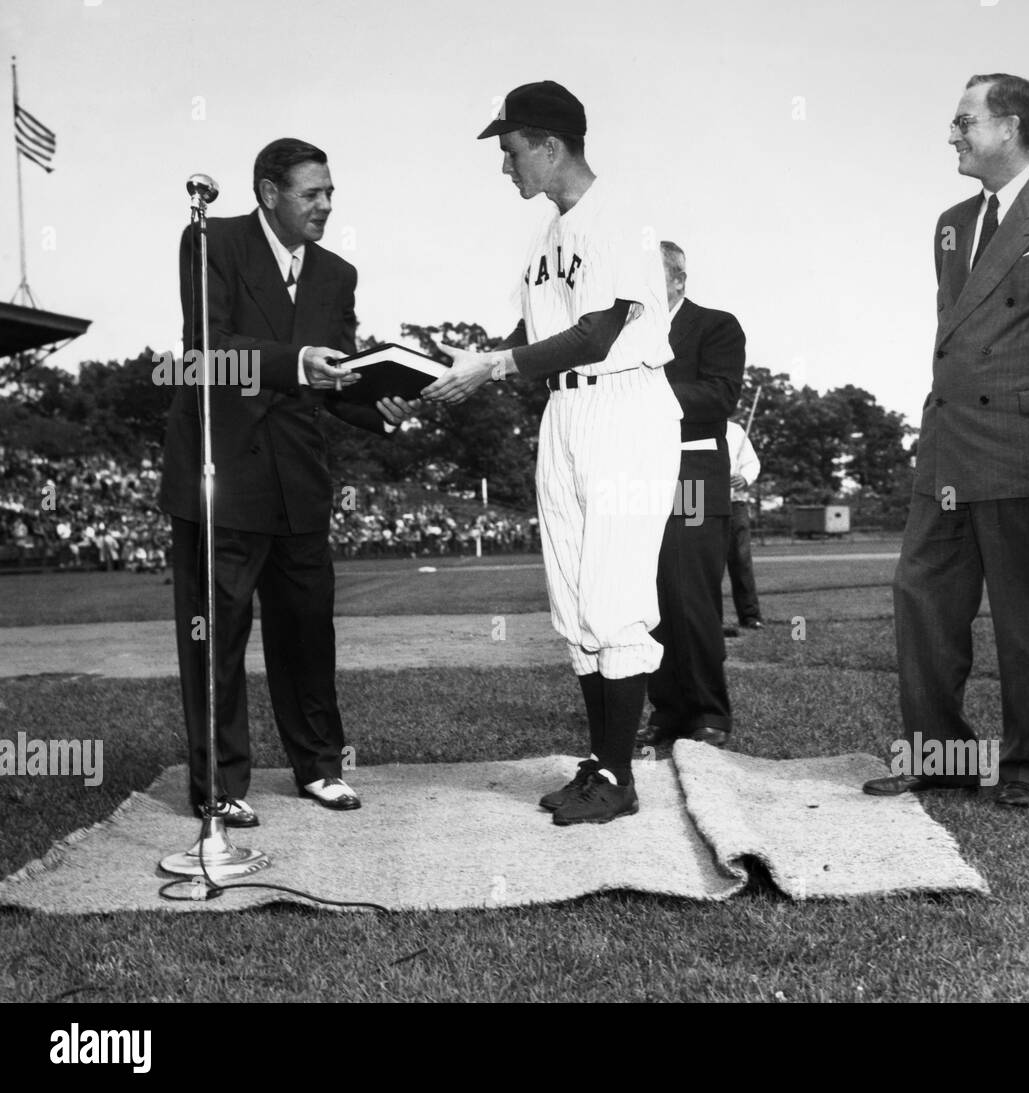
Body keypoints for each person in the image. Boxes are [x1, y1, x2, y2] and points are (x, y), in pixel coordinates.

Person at [862, 73, 1029, 808]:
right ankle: (941, 755)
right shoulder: (951, 221)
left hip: (1026, 447)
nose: (951, 134)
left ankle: (1026, 767)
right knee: (923, 601)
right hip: (947, 444)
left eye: (963, 121)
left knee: (1023, 617)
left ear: (1009, 127)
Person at [423, 81, 680, 826]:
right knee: (574, 599)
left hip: (624, 402)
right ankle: (601, 764)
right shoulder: (548, 238)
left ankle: (619, 777)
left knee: (616, 598)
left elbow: (599, 334)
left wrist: (496, 369)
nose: (506, 167)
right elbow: (525, 336)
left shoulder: (621, 217)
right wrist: (455, 368)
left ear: (549, 144)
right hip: (565, 411)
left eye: (510, 151)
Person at [158, 137, 415, 825]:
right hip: (222, 474)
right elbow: (208, 352)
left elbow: (335, 383)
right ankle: (219, 783)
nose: (326, 205)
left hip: (299, 481)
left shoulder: (338, 273)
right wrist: (300, 359)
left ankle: (320, 767)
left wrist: (382, 406)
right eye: (312, 193)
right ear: (269, 193)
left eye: (330, 192)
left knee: (308, 631)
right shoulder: (211, 240)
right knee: (218, 634)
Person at [638, 241, 744, 750]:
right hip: (635, 473)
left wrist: (643, 396)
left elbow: (720, 396)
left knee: (689, 595)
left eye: (651, 275)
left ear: (679, 279)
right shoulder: (627, 331)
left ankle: (708, 712)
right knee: (650, 597)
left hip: (692, 471)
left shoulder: (715, 325)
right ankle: (667, 710)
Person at [724, 419, 763, 635]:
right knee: (698, 562)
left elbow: (752, 463)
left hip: (734, 502)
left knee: (741, 561)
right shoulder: (681, 424)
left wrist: (744, 478)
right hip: (693, 496)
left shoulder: (735, 430)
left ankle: (750, 616)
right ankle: (705, 618)